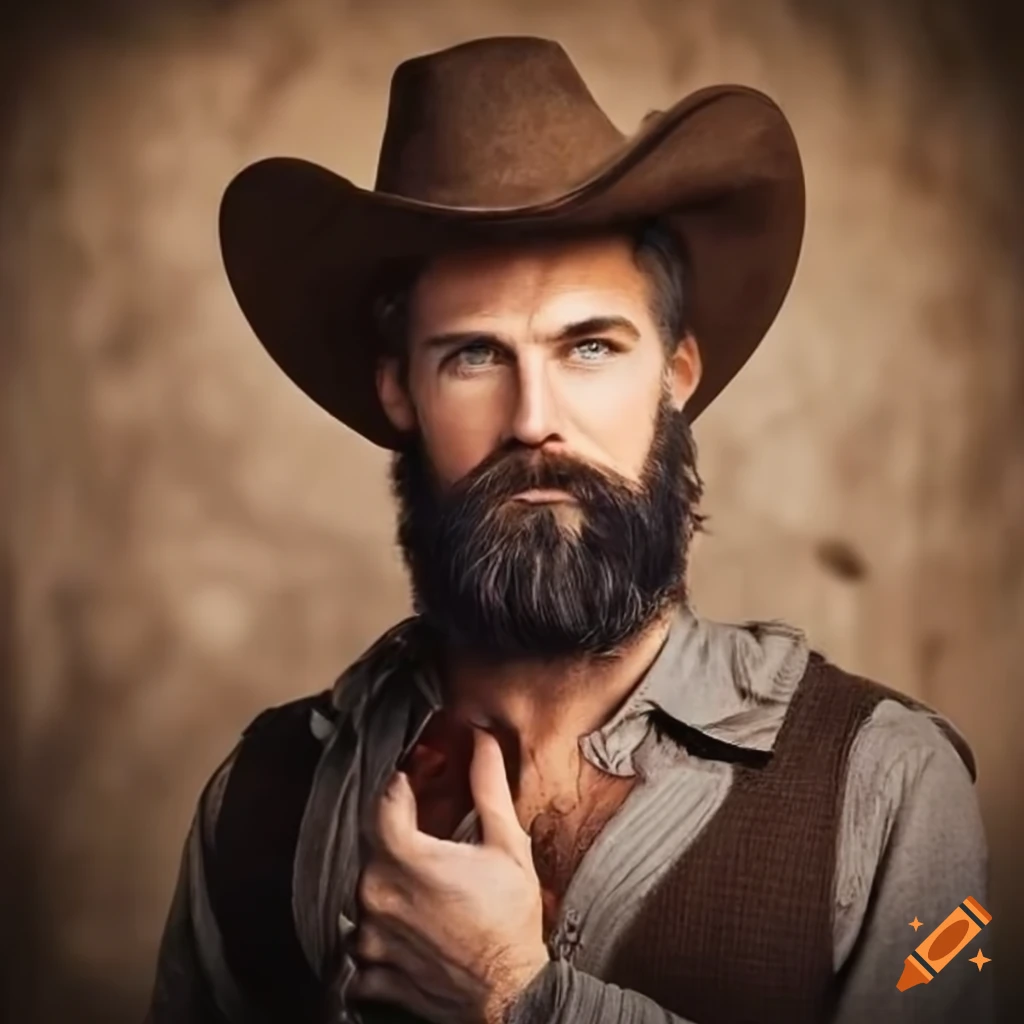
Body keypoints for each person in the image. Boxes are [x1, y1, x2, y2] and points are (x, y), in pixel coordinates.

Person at [147, 35, 990, 1024]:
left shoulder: (887, 782)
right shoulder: (256, 800)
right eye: (472, 354)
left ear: (675, 377)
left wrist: (520, 998)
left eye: (589, 345)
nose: (533, 415)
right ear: (400, 391)